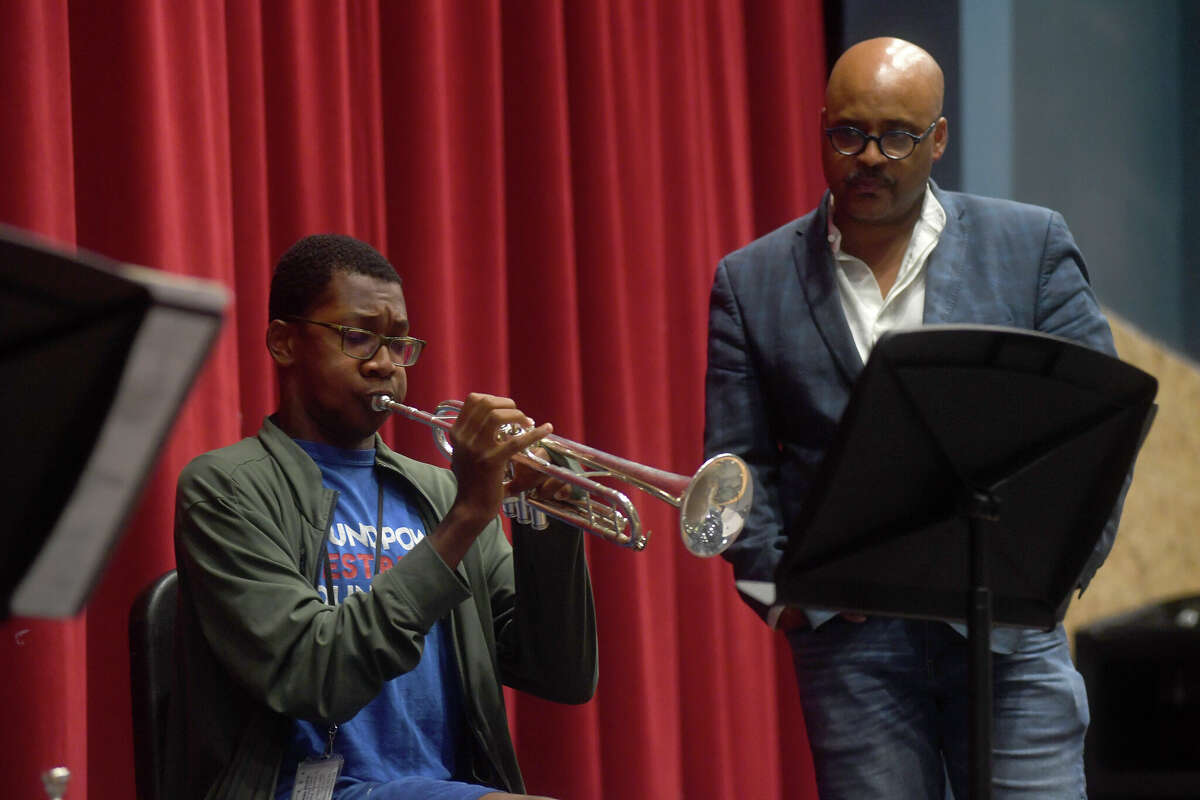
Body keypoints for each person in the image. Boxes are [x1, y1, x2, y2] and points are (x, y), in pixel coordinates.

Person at [704, 37, 1120, 798]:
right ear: (822, 125)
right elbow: (736, 465)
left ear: (939, 139)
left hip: (1009, 635)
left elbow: (1097, 431)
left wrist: (1054, 575)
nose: (869, 156)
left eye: (897, 135)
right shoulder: (749, 280)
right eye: (848, 133)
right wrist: (789, 600)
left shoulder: (1030, 246)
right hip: (854, 650)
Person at [169, 234, 598, 800]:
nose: (383, 365)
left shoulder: (440, 491)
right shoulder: (227, 486)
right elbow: (313, 674)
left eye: (399, 346)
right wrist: (468, 514)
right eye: (357, 337)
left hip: (445, 786)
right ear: (283, 342)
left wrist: (549, 523)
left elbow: (562, 677)